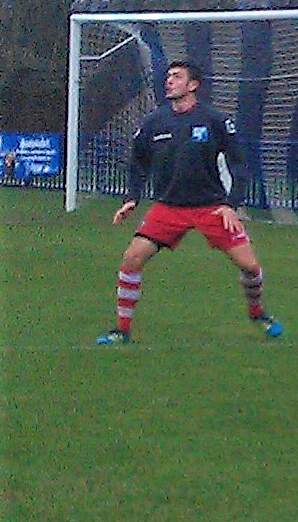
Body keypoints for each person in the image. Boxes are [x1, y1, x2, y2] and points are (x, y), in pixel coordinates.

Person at [96, 60, 283, 345]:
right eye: (168, 76)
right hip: (168, 207)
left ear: (193, 85)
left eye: (177, 77)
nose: (169, 81)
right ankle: (122, 330)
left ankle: (257, 313)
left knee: (250, 267)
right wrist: (132, 197)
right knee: (132, 259)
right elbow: (138, 163)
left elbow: (239, 164)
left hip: (211, 207)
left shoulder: (215, 120)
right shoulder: (153, 122)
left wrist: (231, 204)